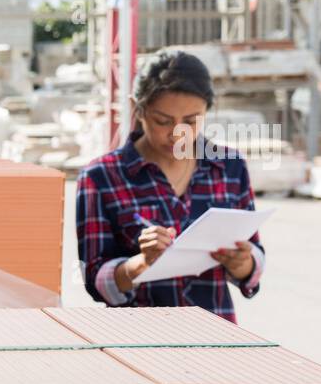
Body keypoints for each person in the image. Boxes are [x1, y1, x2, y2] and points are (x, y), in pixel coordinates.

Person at [75, 49, 264, 322]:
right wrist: (142, 263)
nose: (178, 133)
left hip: (216, 337)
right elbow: (95, 281)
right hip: (139, 341)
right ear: (137, 109)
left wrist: (243, 263)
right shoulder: (100, 177)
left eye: (191, 121)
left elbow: (254, 257)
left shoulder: (229, 167)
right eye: (163, 121)